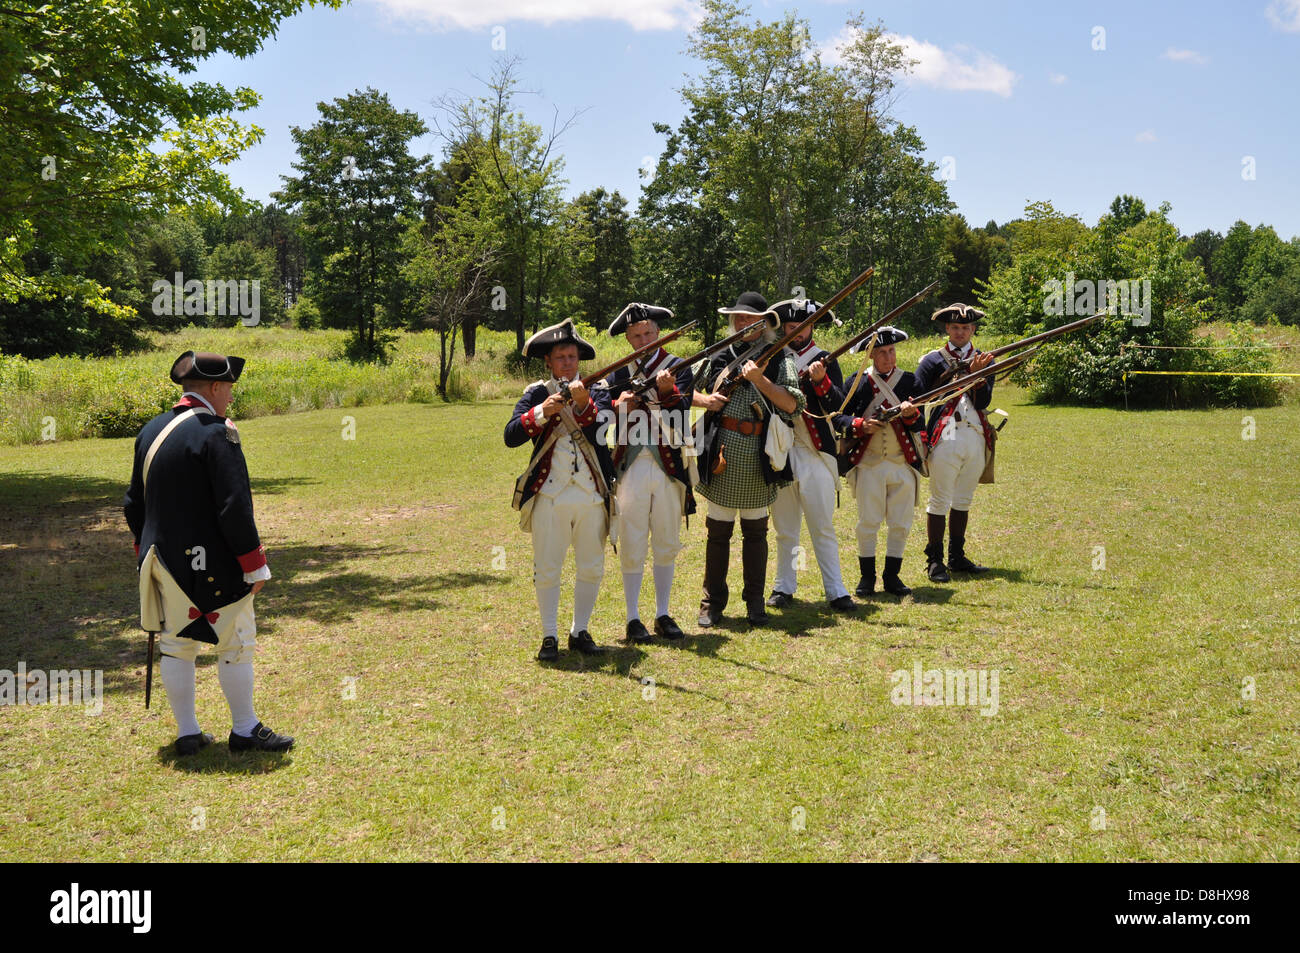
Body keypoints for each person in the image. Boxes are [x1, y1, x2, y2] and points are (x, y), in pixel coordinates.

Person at [124, 351, 293, 756]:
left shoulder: (150, 430)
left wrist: (145, 551)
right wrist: (254, 564)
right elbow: (234, 506)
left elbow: (134, 503)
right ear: (215, 387)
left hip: (161, 560)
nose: (231, 397)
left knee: (175, 644)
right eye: (229, 388)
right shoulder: (219, 432)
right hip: (212, 563)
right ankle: (246, 729)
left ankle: (187, 733)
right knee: (236, 641)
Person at [505, 319, 615, 662]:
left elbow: (607, 429)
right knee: (548, 568)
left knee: (591, 567)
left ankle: (579, 630)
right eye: (561, 357)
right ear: (549, 362)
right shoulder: (536, 392)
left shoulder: (597, 389)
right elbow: (510, 436)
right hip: (549, 495)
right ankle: (549, 635)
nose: (567, 362)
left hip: (591, 495)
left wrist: (583, 406)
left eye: (572, 356)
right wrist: (541, 412)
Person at [694, 291, 805, 628]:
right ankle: (712, 603)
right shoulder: (718, 356)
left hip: (759, 453)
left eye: (748, 318)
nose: (742, 323)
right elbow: (687, 391)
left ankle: (755, 602)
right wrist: (706, 400)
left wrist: (760, 379)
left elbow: (792, 405)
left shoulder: (781, 357)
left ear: (763, 323)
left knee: (756, 534)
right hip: (723, 452)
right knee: (718, 533)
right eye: (737, 318)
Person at [602, 303, 695, 643]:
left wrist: (668, 391)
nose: (643, 340)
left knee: (667, 541)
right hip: (630, 467)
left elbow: (682, 415)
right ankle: (632, 617)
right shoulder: (617, 373)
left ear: (658, 334)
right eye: (636, 336)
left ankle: (663, 613)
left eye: (648, 334)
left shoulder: (677, 367)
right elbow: (600, 416)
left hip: (669, 466)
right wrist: (617, 405)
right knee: (633, 540)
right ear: (628, 339)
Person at [765, 297, 856, 613]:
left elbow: (839, 408)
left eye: (802, 327)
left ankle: (836, 589)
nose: (797, 332)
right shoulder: (773, 358)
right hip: (780, 451)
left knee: (822, 526)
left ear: (812, 326)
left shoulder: (826, 360)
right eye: (791, 327)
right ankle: (783, 587)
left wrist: (821, 381)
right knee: (786, 529)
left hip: (816, 453)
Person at [837, 327, 927, 597]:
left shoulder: (910, 382)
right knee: (868, 523)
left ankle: (892, 577)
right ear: (872, 355)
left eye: (892, 351)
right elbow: (839, 418)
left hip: (902, 464)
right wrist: (860, 425)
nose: (889, 357)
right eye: (882, 353)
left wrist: (910, 416)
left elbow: (923, 423)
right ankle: (867, 578)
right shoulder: (857, 382)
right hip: (869, 464)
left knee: (900, 523)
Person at [914, 303, 995, 582]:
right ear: (947, 329)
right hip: (944, 433)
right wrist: (952, 376)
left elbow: (984, 402)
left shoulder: (986, 359)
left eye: (966, 327)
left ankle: (957, 557)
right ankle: (935, 561)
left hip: (974, 434)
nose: (961, 332)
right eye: (955, 327)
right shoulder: (931, 360)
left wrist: (978, 377)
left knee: (963, 499)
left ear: (973, 329)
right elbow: (920, 399)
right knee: (939, 500)